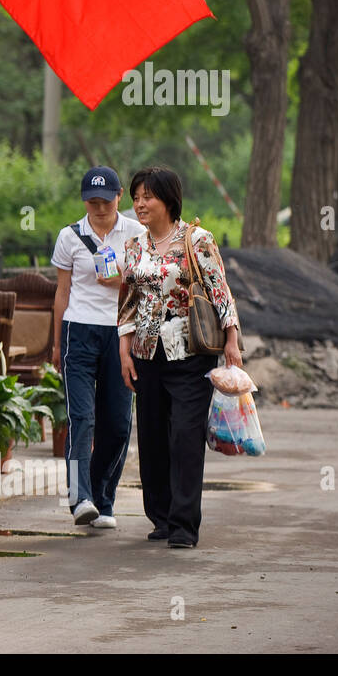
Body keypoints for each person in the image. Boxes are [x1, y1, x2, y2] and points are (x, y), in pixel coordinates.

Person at [118, 166, 242, 549]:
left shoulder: (197, 239)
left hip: (190, 353)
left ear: (168, 200)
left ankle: (184, 525)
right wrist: (124, 349)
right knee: (153, 438)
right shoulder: (135, 246)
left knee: (185, 436)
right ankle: (161, 517)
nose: (139, 204)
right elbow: (127, 301)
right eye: (136, 197)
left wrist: (232, 340)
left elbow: (220, 291)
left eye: (147, 197)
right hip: (146, 354)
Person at [50, 166, 147, 528]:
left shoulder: (137, 233)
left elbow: (147, 284)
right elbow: (61, 292)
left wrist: (118, 279)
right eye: (92, 201)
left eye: (106, 201)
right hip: (79, 329)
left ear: (119, 196)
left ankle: (104, 499)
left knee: (119, 424)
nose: (100, 208)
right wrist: (57, 342)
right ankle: (81, 498)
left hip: (122, 333)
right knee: (82, 419)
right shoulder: (70, 236)